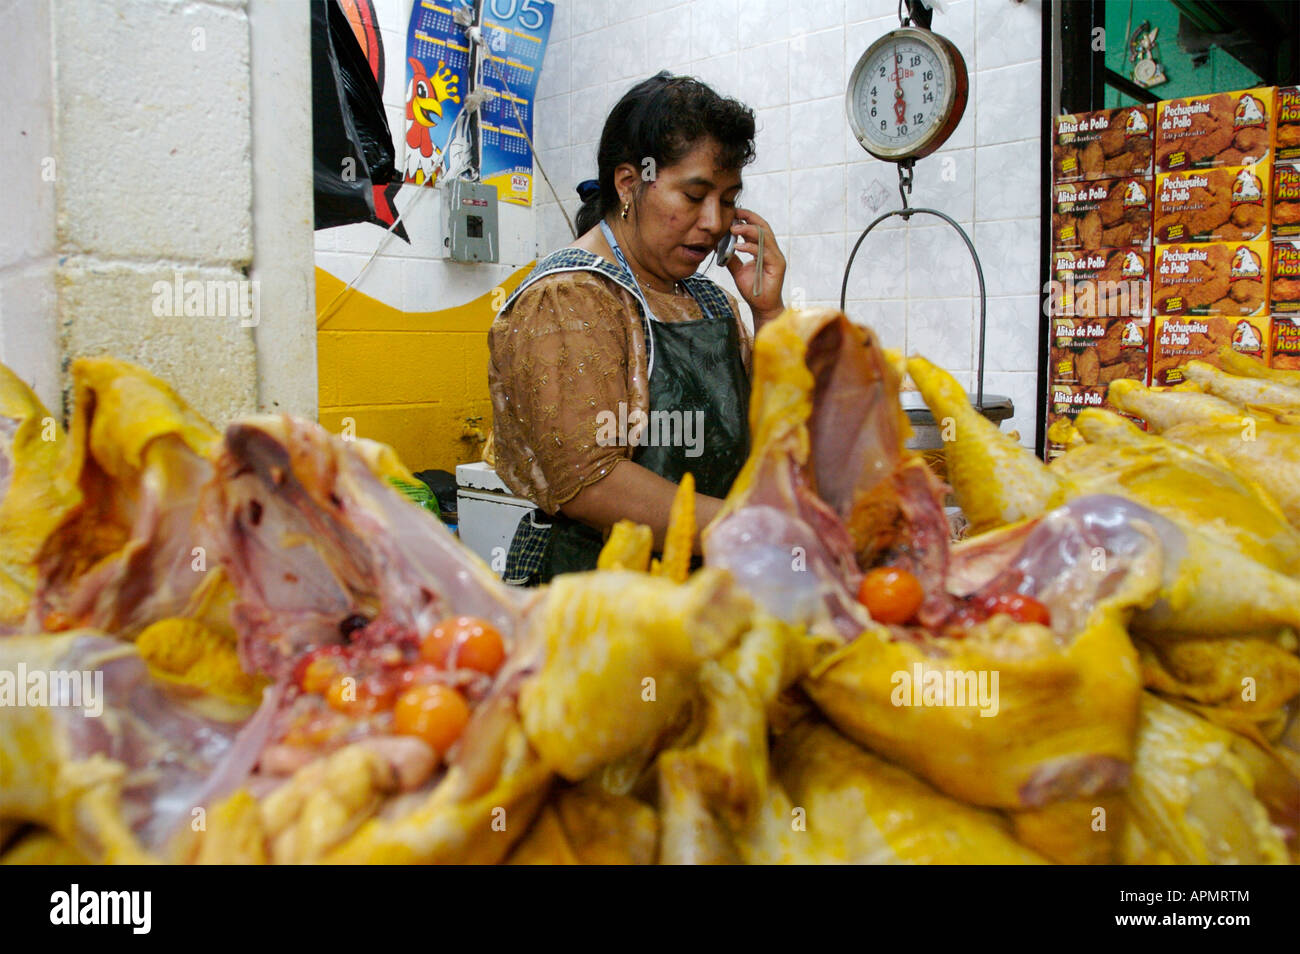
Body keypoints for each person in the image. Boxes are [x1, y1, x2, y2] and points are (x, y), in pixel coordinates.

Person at [488, 72, 787, 584]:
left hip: (707, 587)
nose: (716, 221)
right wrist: (753, 530)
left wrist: (769, 313)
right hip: (599, 601)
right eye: (694, 196)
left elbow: (772, 433)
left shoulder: (711, 300)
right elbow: (590, 484)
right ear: (630, 184)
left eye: (728, 198)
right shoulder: (569, 298)